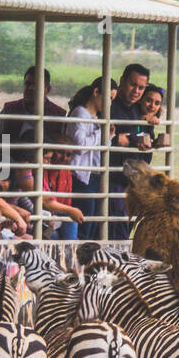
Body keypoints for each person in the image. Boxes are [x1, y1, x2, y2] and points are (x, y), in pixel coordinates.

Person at [64, 77, 113, 240]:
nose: (110, 103)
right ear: (96, 92)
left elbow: (97, 149)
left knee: (91, 226)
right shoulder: (79, 113)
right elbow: (80, 146)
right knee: (84, 225)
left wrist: (108, 135)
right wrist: (103, 133)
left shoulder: (97, 119)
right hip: (80, 176)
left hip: (93, 176)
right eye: (108, 98)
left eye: (112, 99)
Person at [106, 63, 150, 240]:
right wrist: (119, 139)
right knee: (117, 231)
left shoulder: (138, 110)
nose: (136, 91)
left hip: (134, 183)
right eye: (133, 85)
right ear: (122, 81)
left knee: (127, 227)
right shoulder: (109, 106)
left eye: (141, 88)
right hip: (113, 180)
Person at [133, 83, 171, 162]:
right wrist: (143, 119)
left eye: (157, 103)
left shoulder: (150, 123)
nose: (152, 106)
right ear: (140, 100)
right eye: (149, 100)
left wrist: (157, 143)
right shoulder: (131, 115)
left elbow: (148, 142)